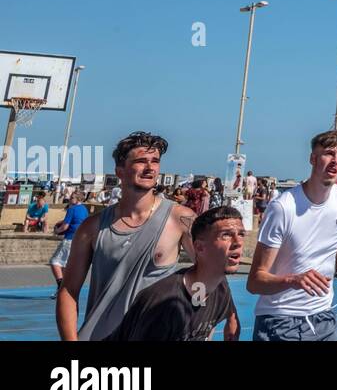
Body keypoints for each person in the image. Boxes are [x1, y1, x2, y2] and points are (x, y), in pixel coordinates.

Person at [246, 129, 337, 341]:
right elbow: (255, 281)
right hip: (280, 321)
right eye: (329, 153)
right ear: (313, 158)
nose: (336, 161)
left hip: (324, 319)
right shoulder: (283, 208)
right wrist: (293, 280)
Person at [57, 132, 198, 341]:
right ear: (120, 171)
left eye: (155, 161)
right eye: (141, 161)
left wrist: (202, 315)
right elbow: (68, 290)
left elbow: (207, 272)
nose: (150, 168)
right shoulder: (92, 227)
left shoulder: (182, 219)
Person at [108, 205, 243, 341]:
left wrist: (232, 318)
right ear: (200, 247)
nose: (238, 242)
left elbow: (199, 312)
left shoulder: (218, 289)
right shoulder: (162, 303)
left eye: (241, 234)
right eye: (226, 235)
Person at [49, 191, 89, 296]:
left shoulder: (72, 209)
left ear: (78, 199)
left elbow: (65, 226)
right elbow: (78, 221)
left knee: (54, 262)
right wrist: (62, 221)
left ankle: (60, 285)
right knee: (65, 265)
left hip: (69, 239)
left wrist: (57, 231)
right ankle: (63, 290)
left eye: (72, 198)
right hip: (79, 240)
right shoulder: (84, 209)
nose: (70, 199)